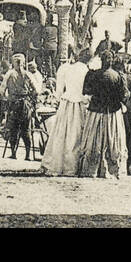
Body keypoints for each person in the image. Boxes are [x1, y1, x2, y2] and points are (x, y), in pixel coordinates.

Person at [76, 52, 129, 178]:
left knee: (94, 139)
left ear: (101, 60)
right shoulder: (118, 76)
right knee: (113, 139)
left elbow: (86, 91)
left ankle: (92, 169)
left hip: (96, 112)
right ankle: (111, 169)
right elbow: (124, 95)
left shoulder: (93, 75)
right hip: (112, 113)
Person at [41, 47, 90, 176]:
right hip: (79, 104)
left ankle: (57, 165)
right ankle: (72, 167)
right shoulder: (86, 70)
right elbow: (86, 91)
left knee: (61, 134)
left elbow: (58, 92)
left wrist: (57, 101)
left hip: (66, 103)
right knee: (76, 135)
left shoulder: (65, 68)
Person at [2, 53, 40, 160]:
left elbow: (1, 90)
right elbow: (37, 90)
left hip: (13, 105)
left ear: (13, 63)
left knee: (13, 129)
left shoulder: (9, 74)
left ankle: (14, 153)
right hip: (25, 105)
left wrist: (7, 98)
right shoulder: (28, 74)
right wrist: (30, 96)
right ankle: (27, 155)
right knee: (26, 129)